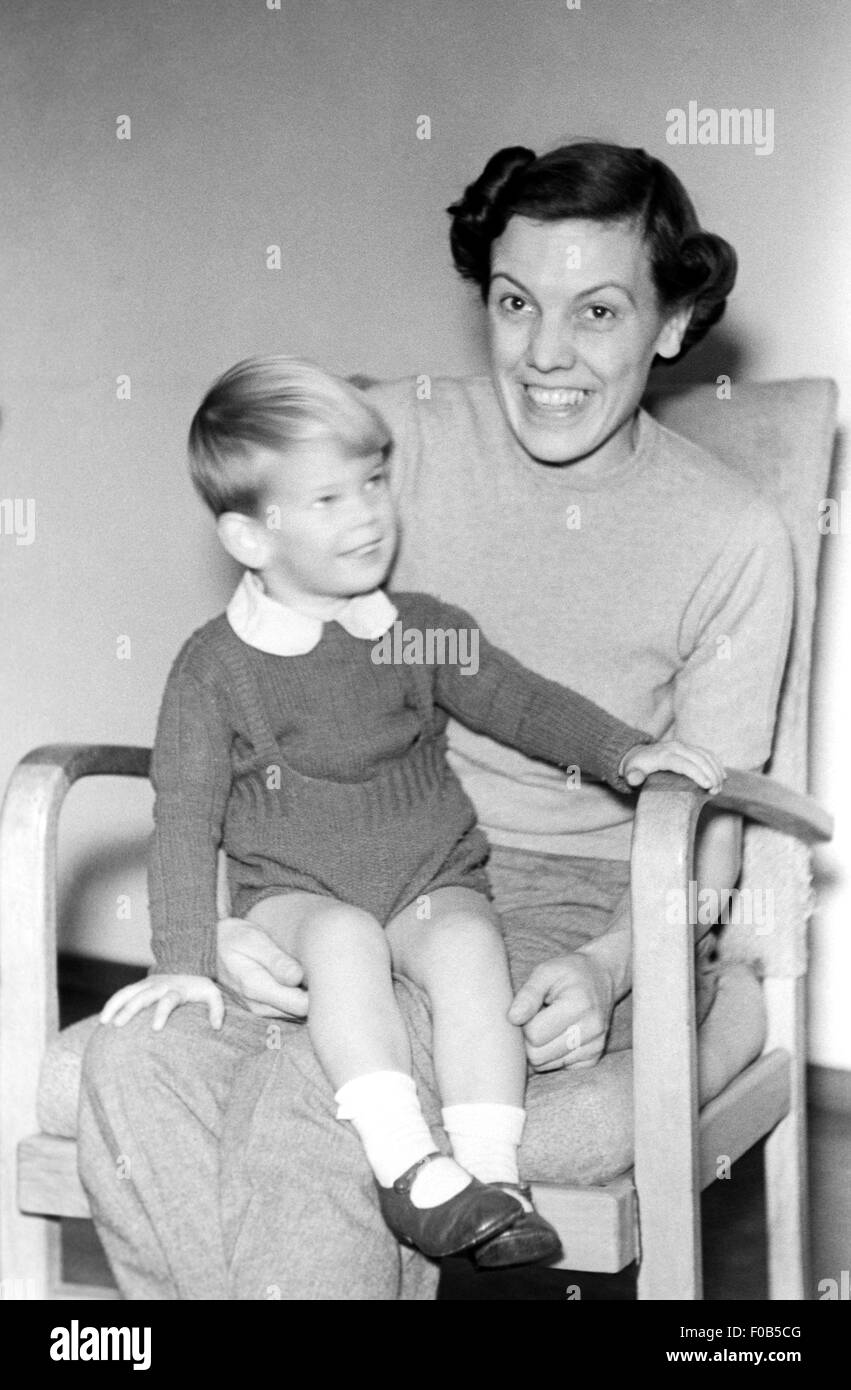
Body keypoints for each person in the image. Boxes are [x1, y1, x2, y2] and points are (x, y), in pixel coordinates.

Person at [79, 141, 793, 1300]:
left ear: (671, 324)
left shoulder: (731, 536)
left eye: (597, 310)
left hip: (567, 902)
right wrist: (223, 925)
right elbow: (267, 679)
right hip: (340, 876)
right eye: (515, 303)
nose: (545, 354)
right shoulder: (385, 445)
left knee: (315, 1091)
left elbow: (705, 825)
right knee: (130, 1054)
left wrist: (613, 969)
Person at [98, 355, 724, 1268]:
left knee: (472, 948)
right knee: (345, 939)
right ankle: (408, 1169)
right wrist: (185, 957)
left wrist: (626, 751)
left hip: (431, 879)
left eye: (375, 483)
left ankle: (489, 1177)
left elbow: (520, 700)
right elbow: (185, 817)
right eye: (328, 500)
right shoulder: (214, 667)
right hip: (297, 894)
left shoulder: (414, 624)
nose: (366, 515)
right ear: (248, 536)